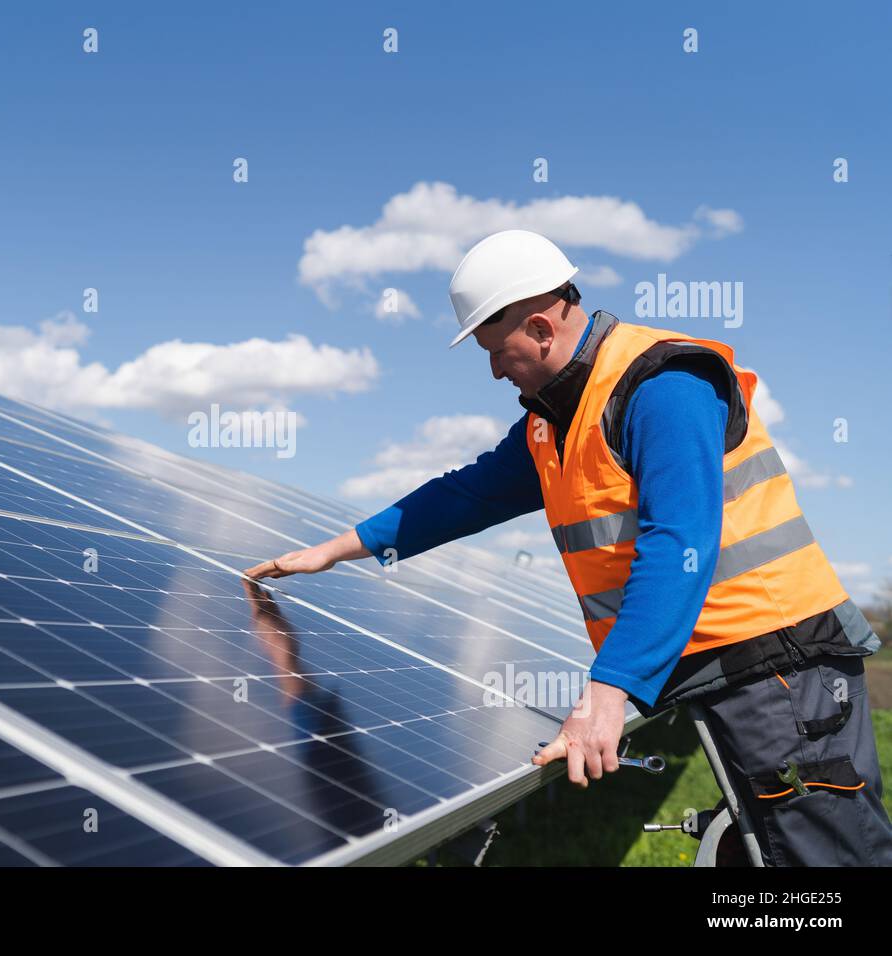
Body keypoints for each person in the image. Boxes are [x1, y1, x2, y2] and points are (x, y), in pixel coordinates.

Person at [242, 229, 892, 866]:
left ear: (541, 329)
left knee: (823, 855)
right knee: (769, 849)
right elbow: (466, 495)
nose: (495, 369)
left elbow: (680, 541)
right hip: (724, 663)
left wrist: (609, 693)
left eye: (497, 351)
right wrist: (337, 548)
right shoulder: (555, 418)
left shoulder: (660, 384)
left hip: (778, 662)